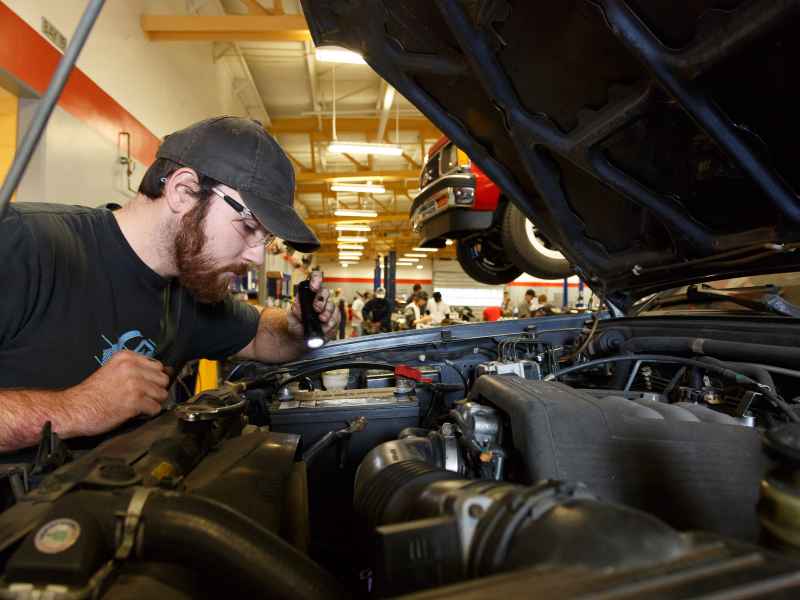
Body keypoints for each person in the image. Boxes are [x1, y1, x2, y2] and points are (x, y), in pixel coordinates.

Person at [0, 116, 340, 452]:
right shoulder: (22, 243)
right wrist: (76, 408)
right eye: (249, 227)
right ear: (183, 191)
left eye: (265, 239)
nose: (257, 257)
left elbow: (260, 336)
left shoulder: (188, 292)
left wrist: (296, 328)